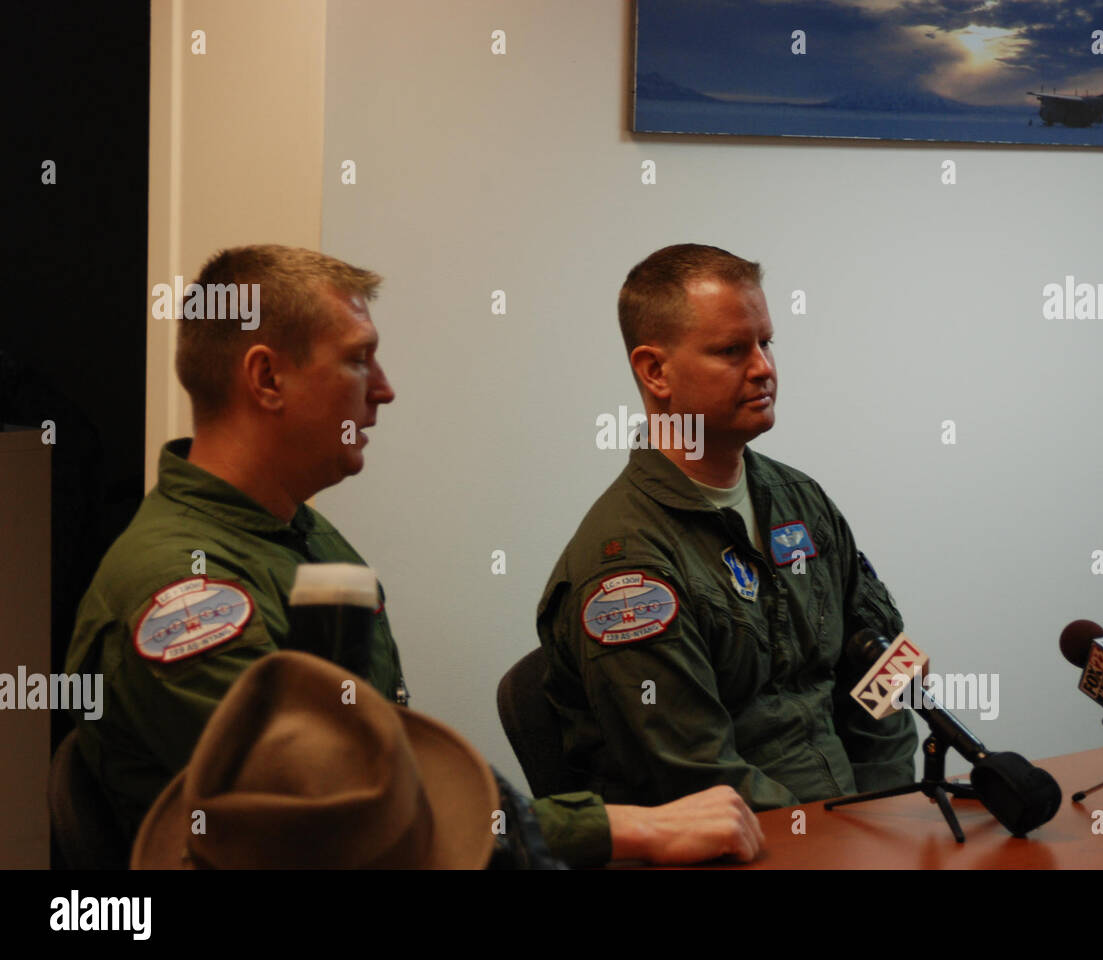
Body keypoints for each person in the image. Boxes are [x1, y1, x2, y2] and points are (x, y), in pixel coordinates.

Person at [65, 243, 761, 868]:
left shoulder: (297, 536)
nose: (384, 388)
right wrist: (621, 830)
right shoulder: (187, 595)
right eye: (357, 358)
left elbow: (387, 765)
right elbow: (349, 820)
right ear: (267, 380)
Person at [536, 243, 919, 810]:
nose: (764, 367)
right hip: (745, 846)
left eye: (766, 343)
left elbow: (884, 673)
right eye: (732, 350)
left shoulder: (801, 502)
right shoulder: (628, 567)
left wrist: (889, 811)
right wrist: (834, 842)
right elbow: (696, 777)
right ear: (655, 371)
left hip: (855, 826)